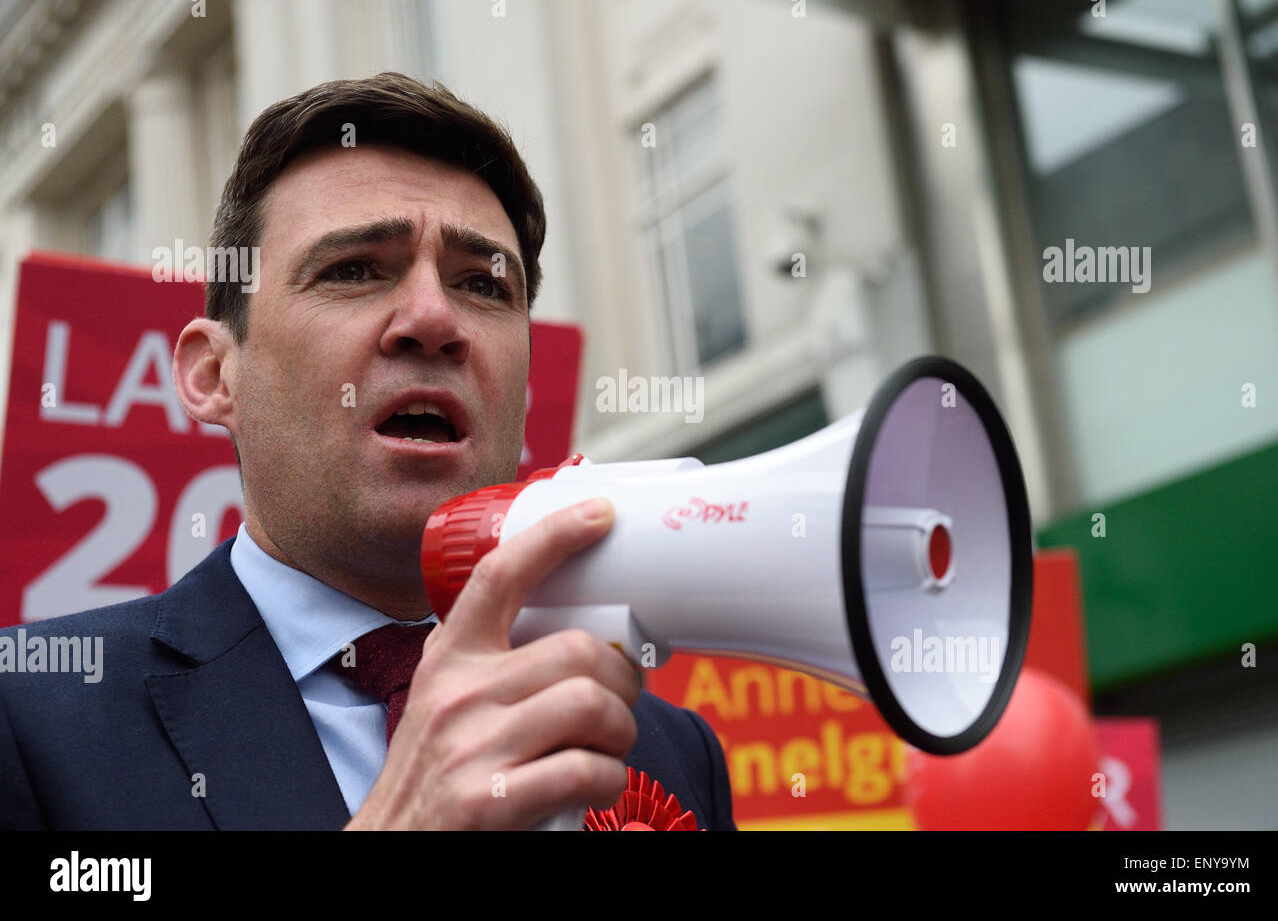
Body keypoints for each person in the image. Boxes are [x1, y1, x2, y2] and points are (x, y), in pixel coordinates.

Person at [0, 72, 735, 831]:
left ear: (524, 386)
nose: (431, 318)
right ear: (214, 375)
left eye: (483, 284)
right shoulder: (27, 718)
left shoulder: (669, 752)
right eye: (352, 270)